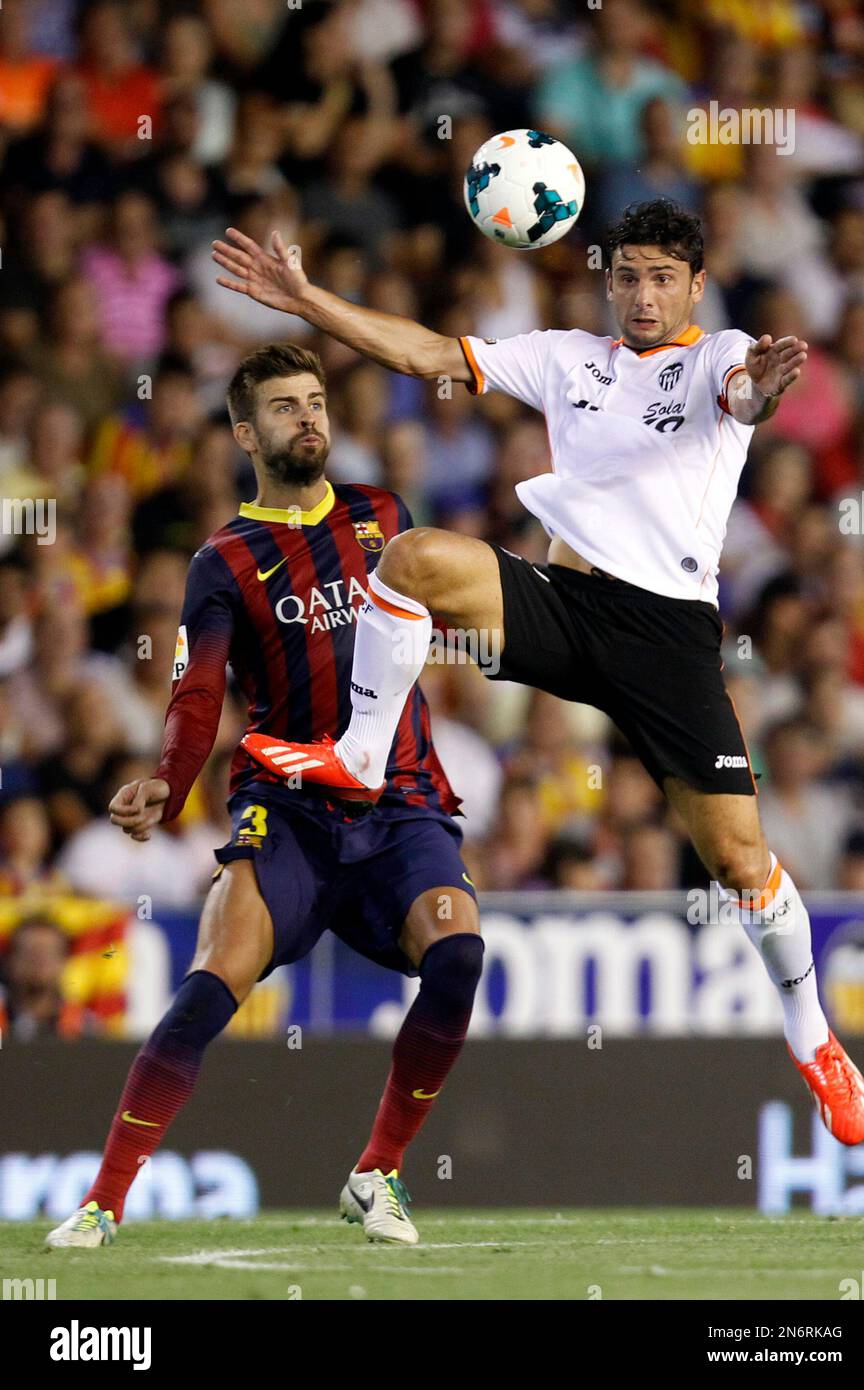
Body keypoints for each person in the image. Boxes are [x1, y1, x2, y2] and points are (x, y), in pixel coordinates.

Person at [210, 197, 864, 1147]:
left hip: (666, 637)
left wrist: (762, 388)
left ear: (693, 283)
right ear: (610, 281)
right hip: (564, 608)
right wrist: (309, 300)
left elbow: (745, 398)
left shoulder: (717, 353)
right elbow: (431, 354)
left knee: (737, 861)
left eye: (661, 279)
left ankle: (809, 1028)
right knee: (411, 559)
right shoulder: (568, 358)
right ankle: (359, 753)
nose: (642, 296)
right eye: (627, 277)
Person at [46, 342, 482, 1251]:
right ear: (246, 432)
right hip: (287, 807)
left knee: (459, 956)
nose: (309, 418)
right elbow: (198, 690)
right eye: (285, 407)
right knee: (212, 984)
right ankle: (104, 1201)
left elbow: (466, 610)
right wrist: (167, 781)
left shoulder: (383, 518)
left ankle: (379, 1173)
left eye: (317, 401)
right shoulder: (224, 561)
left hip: (400, 800)